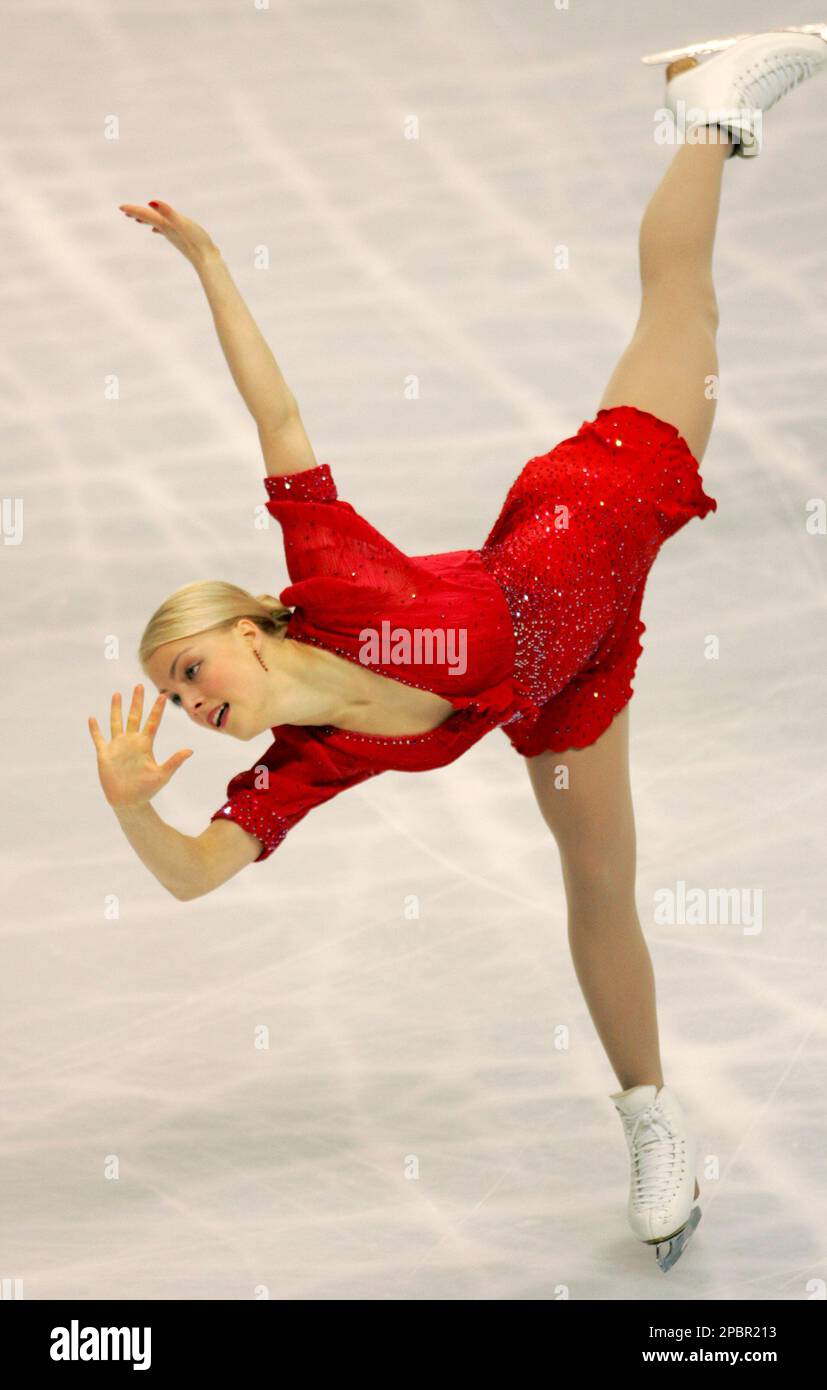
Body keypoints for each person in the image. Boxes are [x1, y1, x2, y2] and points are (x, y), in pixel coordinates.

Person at [88, 26, 827, 1270]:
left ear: (243, 630)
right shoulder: (311, 756)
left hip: (585, 518)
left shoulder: (326, 574)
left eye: (189, 670)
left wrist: (207, 258)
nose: (186, 702)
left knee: (679, 304)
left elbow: (271, 407)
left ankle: (706, 106)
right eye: (173, 696)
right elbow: (194, 872)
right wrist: (129, 812)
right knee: (596, 886)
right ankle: (653, 1117)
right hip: (562, 685)